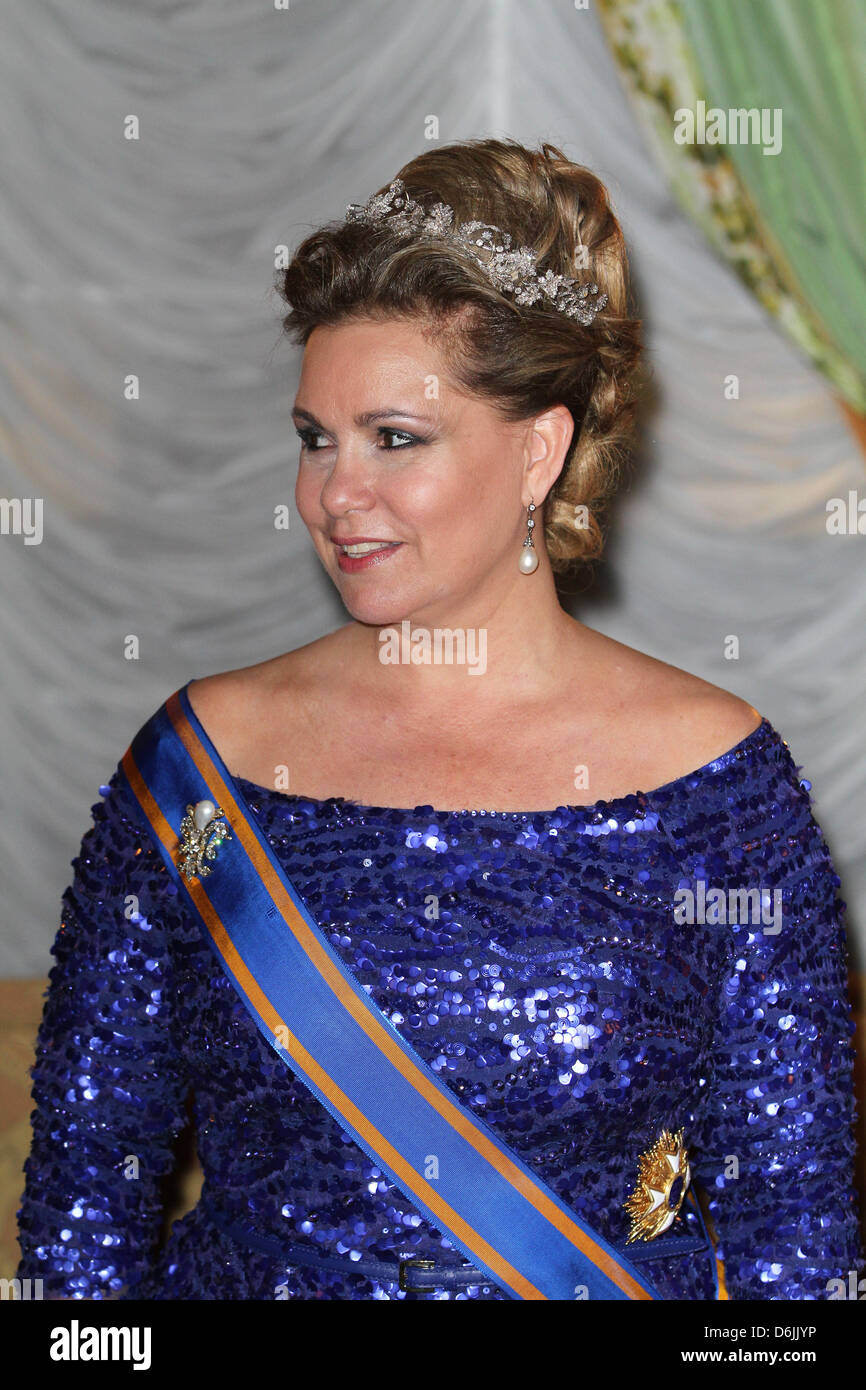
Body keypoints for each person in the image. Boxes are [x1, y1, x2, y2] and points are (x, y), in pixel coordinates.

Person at [16, 138, 863, 1300]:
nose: (334, 494)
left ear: (538, 449)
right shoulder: (196, 770)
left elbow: (795, 1258)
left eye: (393, 439)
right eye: (315, 438)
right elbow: (82, 1219)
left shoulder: (720, 788)